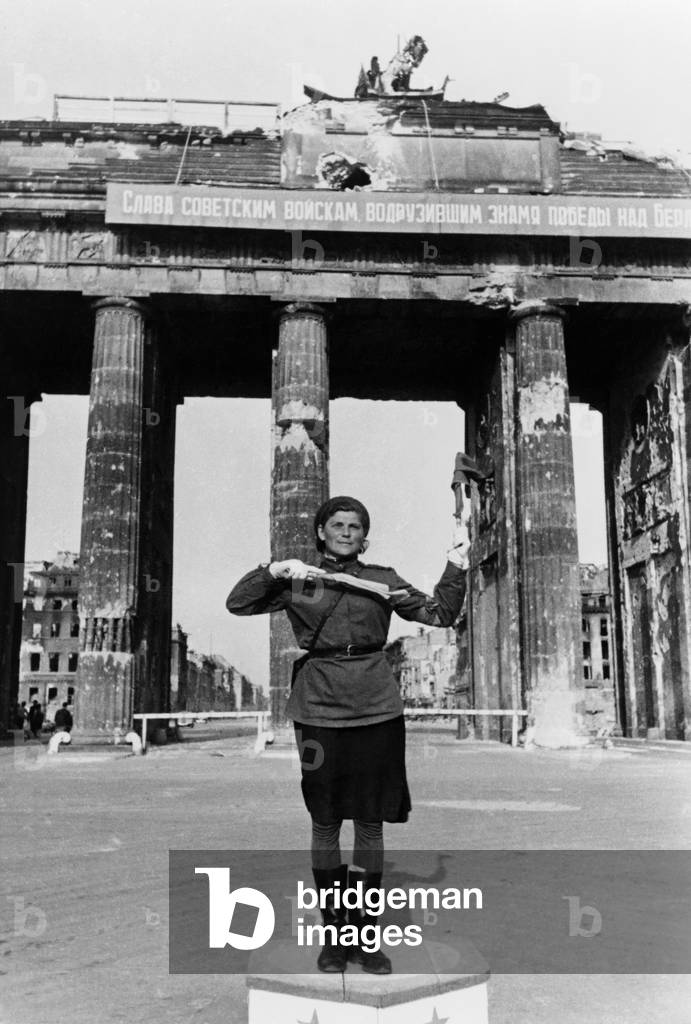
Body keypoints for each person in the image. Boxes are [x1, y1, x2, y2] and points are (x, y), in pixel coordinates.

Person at [226, 495, 468, 974]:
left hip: (376, 706)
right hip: (318, 707)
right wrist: (273, 570)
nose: (346, 531)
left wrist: (456, 562)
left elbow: (440, 614)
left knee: (371, 821)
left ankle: (367, 937)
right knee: (325, 820)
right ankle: (336, 937)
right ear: (320, 532)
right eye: (336, 524)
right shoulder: (301, 579)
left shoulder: (382, 579)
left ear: (365, 536)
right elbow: (238, 603)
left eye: (355, 526)